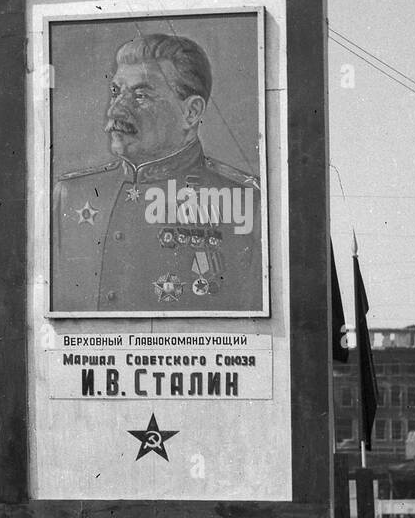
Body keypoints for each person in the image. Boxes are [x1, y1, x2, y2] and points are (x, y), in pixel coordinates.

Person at [52, 33, 262, 312]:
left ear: (191, 112)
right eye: (116, 92)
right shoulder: (69, 196)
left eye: (140, 95)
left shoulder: (248, 201)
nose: (115, 110)